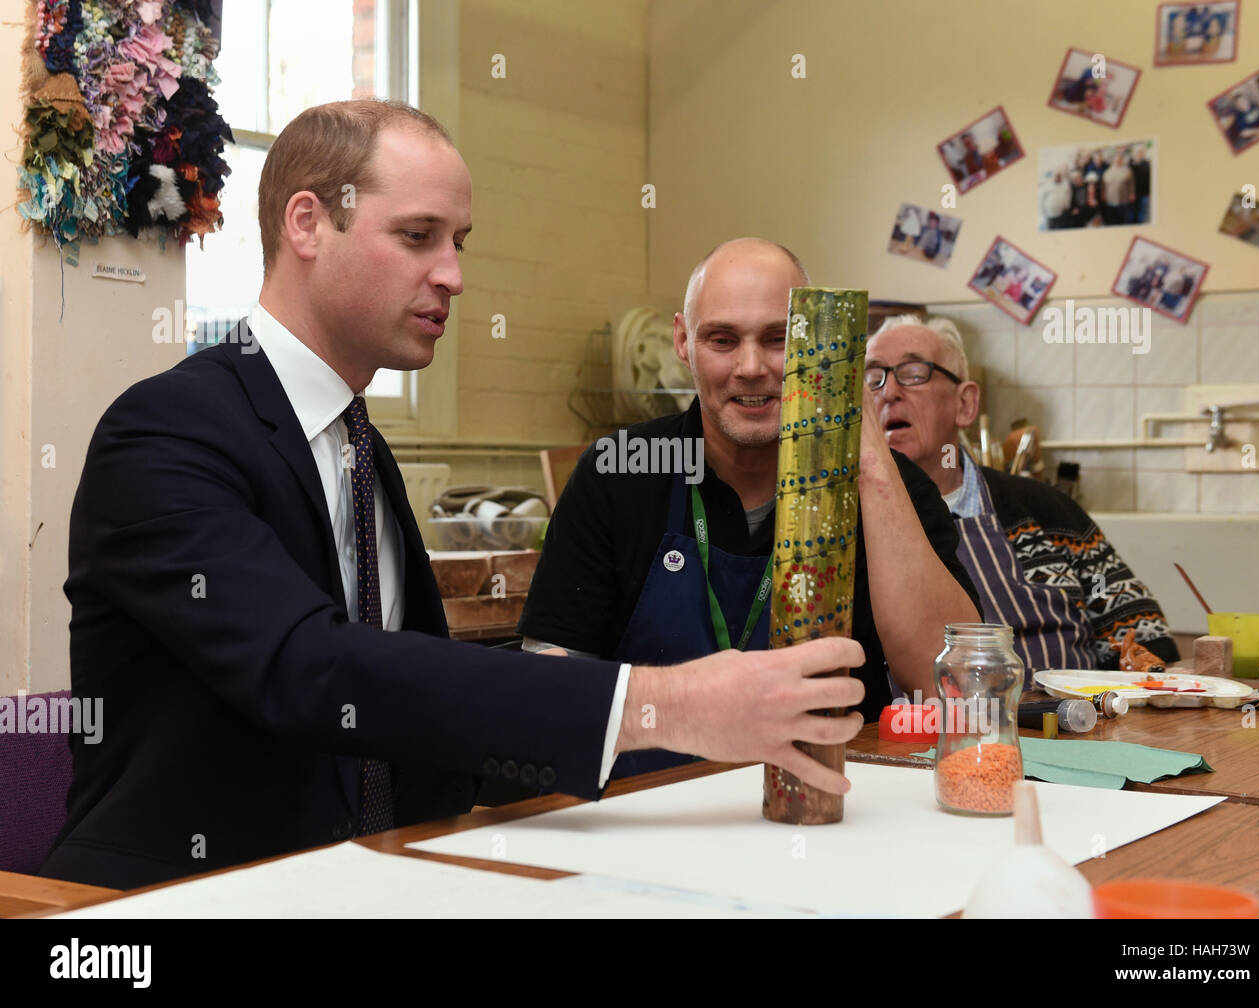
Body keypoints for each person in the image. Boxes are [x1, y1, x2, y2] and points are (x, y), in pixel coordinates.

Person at [41, 102, 868, 890]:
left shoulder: (356, 444)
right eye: (417, 237)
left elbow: (418, 710)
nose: (455, 275)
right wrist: (669, 704)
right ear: (307, 225)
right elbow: (310, 668)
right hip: (181, 899)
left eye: (460, 241)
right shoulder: (165, 433)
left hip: (383, 881)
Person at [518, 239, 981, 776]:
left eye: (778, 339)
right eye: (722, 339)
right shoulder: (616, 473)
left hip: (835, 810)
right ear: (682, 342)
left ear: (817, 344)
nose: (752, 366)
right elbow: (545, 696)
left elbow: (954, 685)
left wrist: (872, 465)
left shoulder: (892, 488)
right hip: (649, 812)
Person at [864, 315, 1178, 676]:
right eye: (873, 379)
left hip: (1081, 727)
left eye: (913, 373)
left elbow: (1144, 635)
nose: (888, 392)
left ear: (965, 404)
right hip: (927, 731)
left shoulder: (1047, 510)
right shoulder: (851, 529)